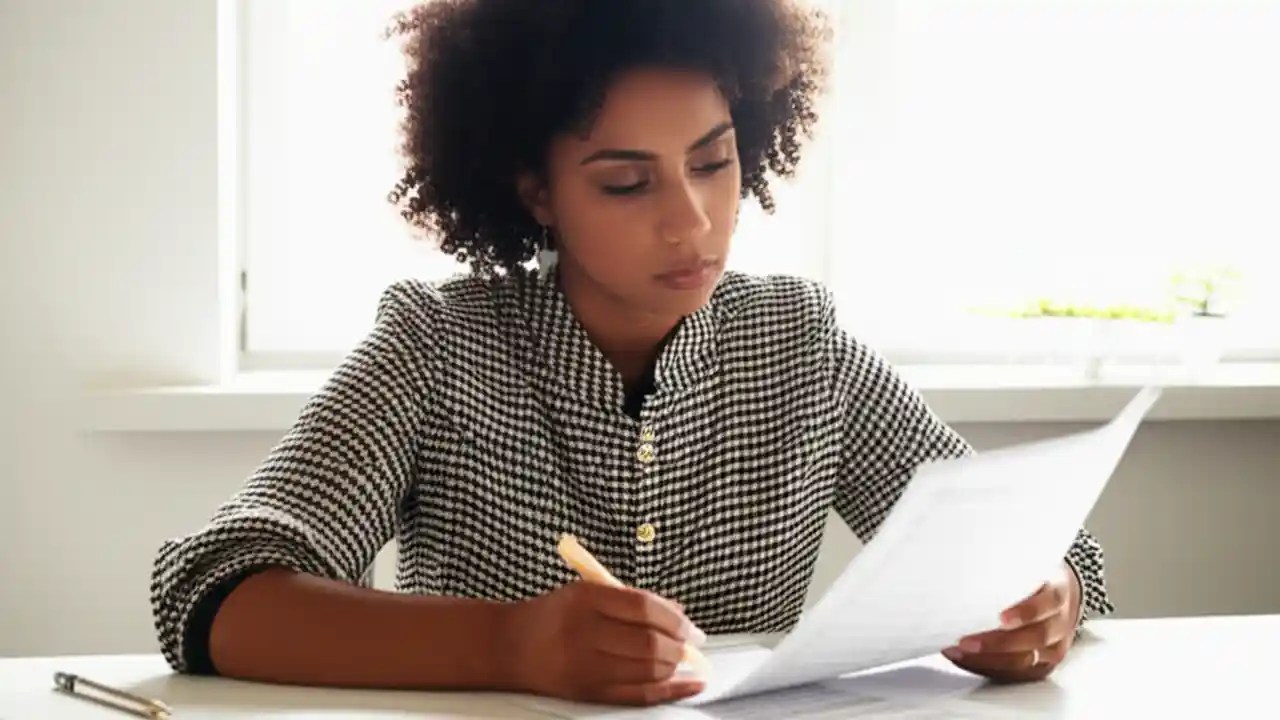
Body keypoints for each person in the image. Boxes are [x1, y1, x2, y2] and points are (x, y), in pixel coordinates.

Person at [150, 0, 1114, 707]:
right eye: (624, 184)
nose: (691, 222)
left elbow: (1042, 549)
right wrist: (510, 645)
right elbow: (215, 594)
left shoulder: (799, 345)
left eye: (713, 161)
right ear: (534, 191)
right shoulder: (436, 347)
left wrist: (1048, 599)